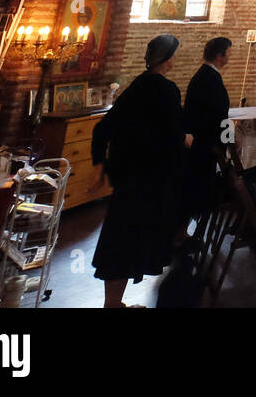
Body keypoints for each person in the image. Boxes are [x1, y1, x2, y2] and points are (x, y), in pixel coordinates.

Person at [91, 33, 190, 307]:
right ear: (169, 60)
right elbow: (171, 134)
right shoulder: (167, 90)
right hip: (151, 180)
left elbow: (103, 128)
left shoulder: (136, 86)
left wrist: (98, 164)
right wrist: (186, 139)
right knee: (136, 240)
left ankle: (113, 302)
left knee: (119, 240)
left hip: (126, 177)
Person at [180, 36, 232, 231]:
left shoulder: (206, 75)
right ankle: (180, 236)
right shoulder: (209, 78)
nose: (229, 57)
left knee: (194, 191)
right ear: (220, 55)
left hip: (201, 141)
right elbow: (218, 115)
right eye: (228, 53)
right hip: (203, 145)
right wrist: (226, 143)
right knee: (195, 191)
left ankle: (182, 234)